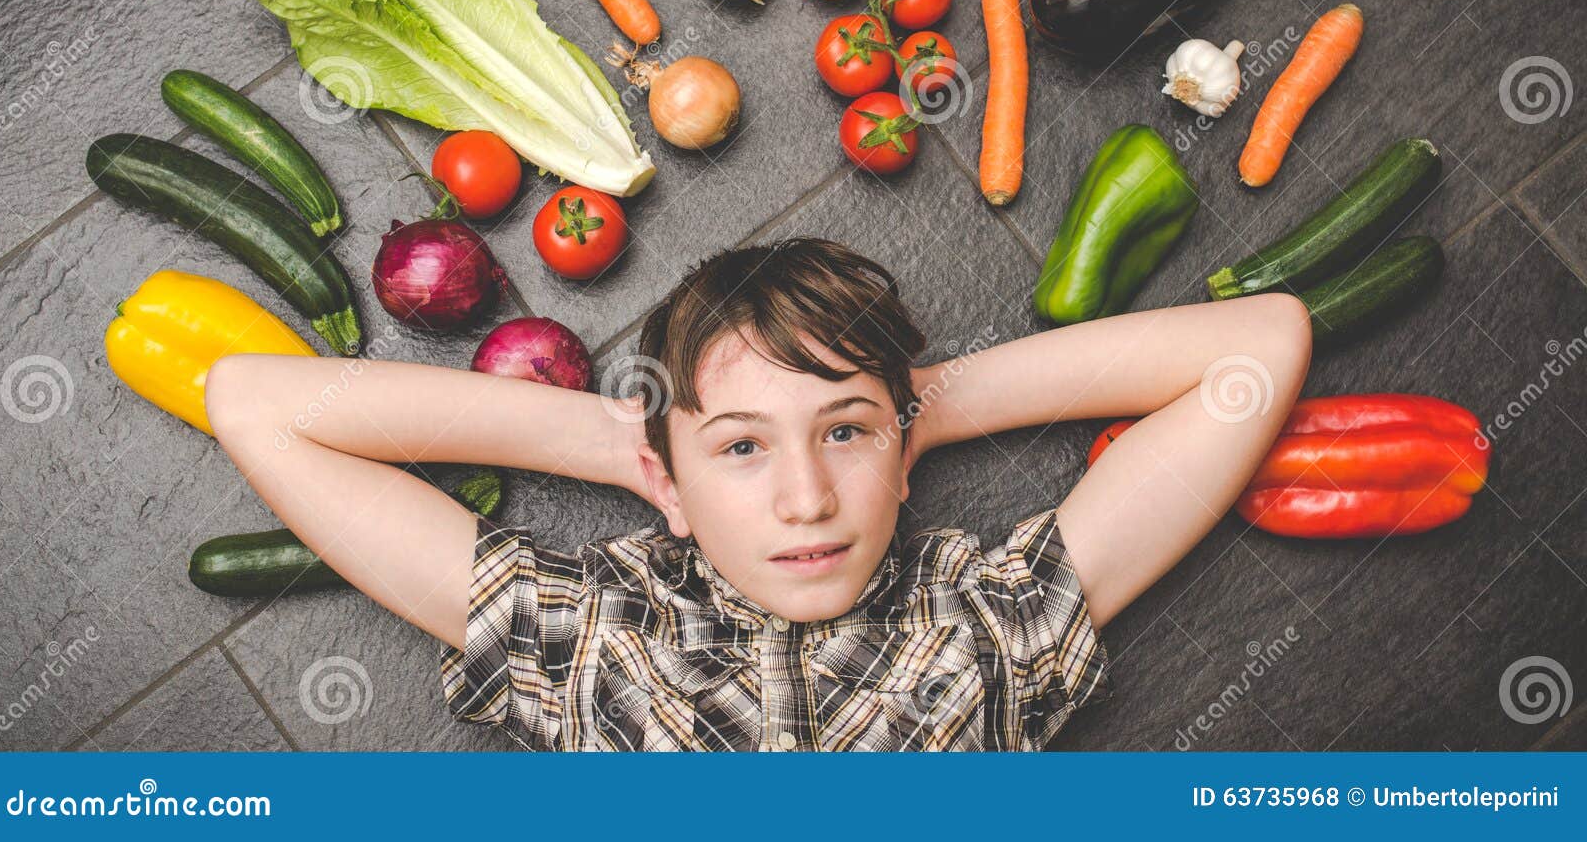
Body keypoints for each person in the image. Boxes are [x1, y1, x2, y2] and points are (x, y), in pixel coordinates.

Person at [205, 237, 1311, 751]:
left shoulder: (987, 623)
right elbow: (255, 403)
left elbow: (1259, 346)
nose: (806, 497)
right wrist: (630, 444)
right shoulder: (587, 635)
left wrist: (915, 405)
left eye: (844, 435)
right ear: (670, 482)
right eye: (742, 448)